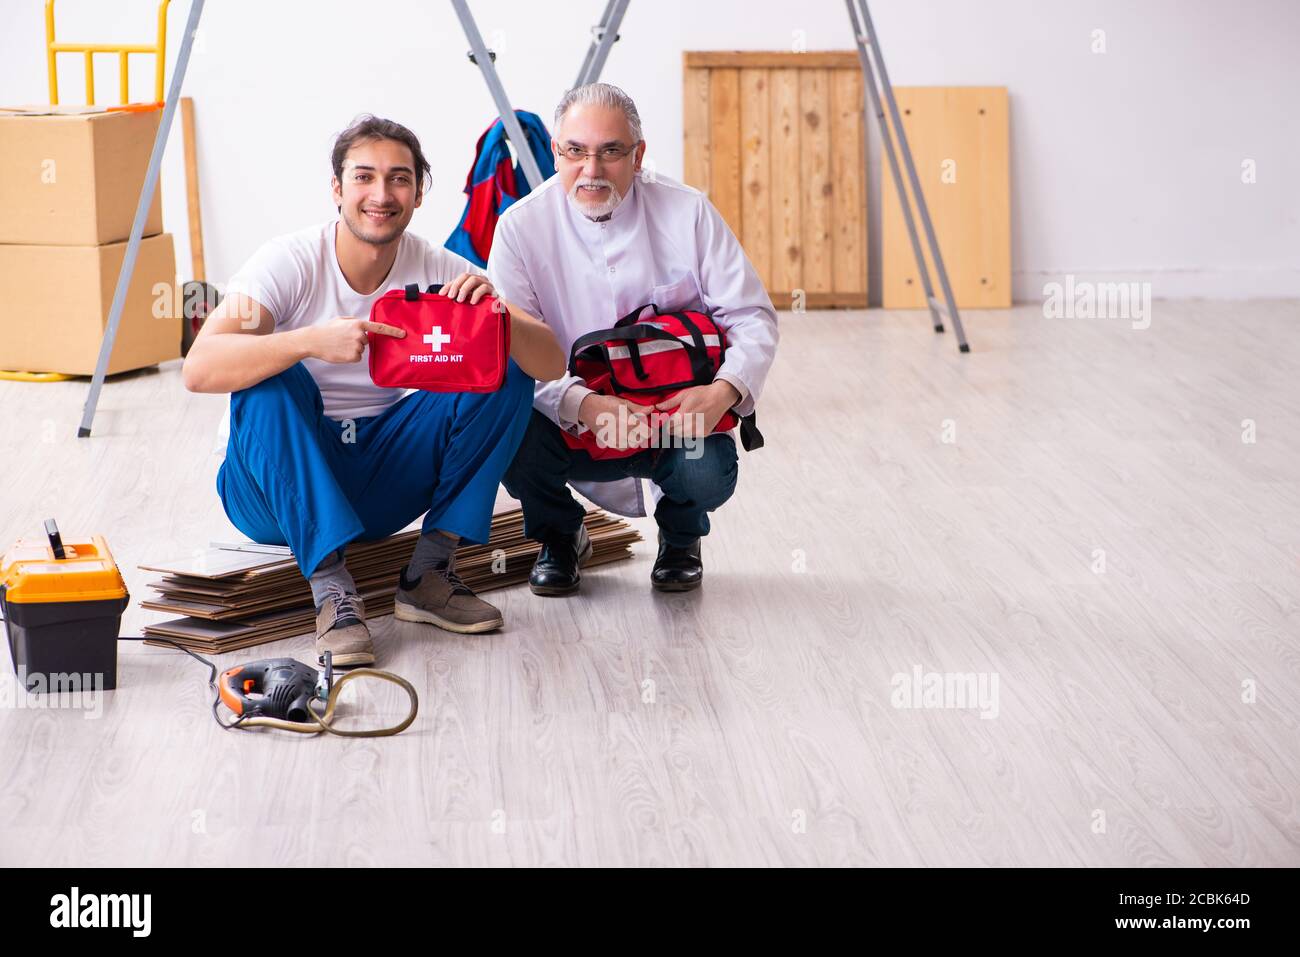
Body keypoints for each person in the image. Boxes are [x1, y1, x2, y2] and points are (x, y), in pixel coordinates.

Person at [183, 115, 565, 667]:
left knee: (504, 368)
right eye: (363, 177)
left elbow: (549, 362)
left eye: (399, 179)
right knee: (271, 380)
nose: (380, 195)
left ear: (418, 193)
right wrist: (308, 342)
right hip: (268, 489)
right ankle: (333, 590)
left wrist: (499, 315)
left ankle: (429, 575)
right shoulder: (287, 262)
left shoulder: (436, 266)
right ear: (337, 189)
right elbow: (199, 369)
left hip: (375, 482)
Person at [489, 83, 779, 595]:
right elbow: (512, 352)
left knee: (706, 472)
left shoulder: (687, 212)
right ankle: (560, 534)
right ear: (556, 152)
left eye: (611, 151)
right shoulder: (519, 228)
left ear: (638, 155)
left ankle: (682, 535)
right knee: (504, 427)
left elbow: (752, 316)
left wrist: (724, 392)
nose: (591, 169)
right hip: (571, 421)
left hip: (673, 418)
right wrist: (586, 404)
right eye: (574, 151)